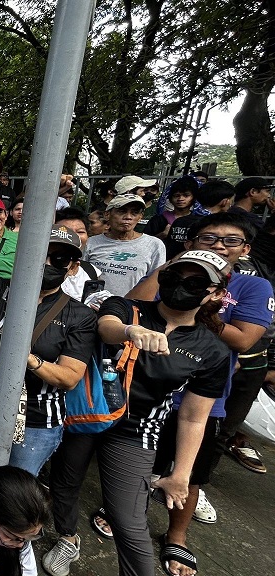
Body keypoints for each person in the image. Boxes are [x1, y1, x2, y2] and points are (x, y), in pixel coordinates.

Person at [43, 251, 231, 576]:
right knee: (64, 483)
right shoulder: (127, 308)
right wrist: (131, 332)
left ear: (215, 293)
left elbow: (193, 417)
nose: (181, 285)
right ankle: (67, 537)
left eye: (196, 281)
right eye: (174, 276)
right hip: (87, 414)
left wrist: (181, 474)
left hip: (137, 432)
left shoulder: (212, 351)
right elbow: (106, 326)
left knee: (129, 520)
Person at [123, 213, 272, 575]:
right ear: (190, 241)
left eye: (230, 240)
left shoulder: (254, 289)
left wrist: (199, 305)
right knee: (141, 465)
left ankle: (177, 536)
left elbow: (244, 338)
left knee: (190, 475)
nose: (219, 244)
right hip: (146, 390)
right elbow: (131, 305)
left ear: (246, 248)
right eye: (209, 237)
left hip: (204, 398)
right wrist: (172, 274)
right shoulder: (172, 272)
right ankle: (126, 515)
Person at [0, 224, 97, 488]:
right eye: (40, 254)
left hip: (37, 417)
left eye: (58, 258)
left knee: (9, 491)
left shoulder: (79, 316)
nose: (46, 263)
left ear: (72, 267)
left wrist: (25, 356)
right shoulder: (1, 289)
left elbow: (69, 377)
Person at [83, 193, 167, 297]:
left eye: (134, 213)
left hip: (132, 308)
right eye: (121, 211)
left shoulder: (154, 245)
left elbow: (155, 283)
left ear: (140, 217)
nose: (128, 217)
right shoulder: (91, 243)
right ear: (107, 215)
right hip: (93, 307)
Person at [165, 180, 235, 261]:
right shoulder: (217, 225)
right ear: (225, 202)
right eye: (231, 201)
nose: (231, 205)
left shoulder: (180, 221)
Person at [143, 176, 200, 243]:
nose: (180, 199)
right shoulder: (158, 220)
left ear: (194, 198)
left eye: (186, 195)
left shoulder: (198, 221)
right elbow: (144, 242)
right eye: (176, 196)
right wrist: (162, 235)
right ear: (170, 198)